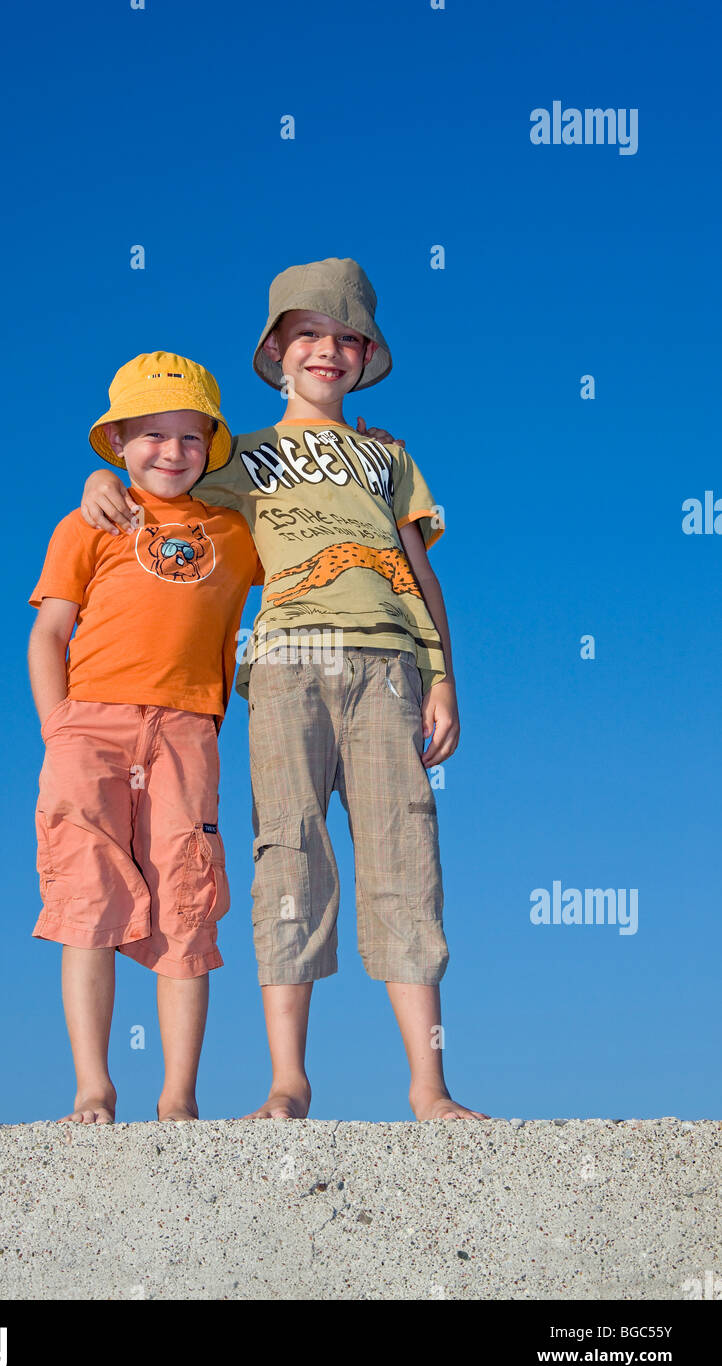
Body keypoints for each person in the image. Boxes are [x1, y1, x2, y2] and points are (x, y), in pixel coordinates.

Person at [80, 259, 488, 1123]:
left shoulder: (390, 457)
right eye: (309, 334)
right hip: (285, 663)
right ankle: (288, 1082)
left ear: (368, 354)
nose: (328, 351)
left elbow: (420, 571)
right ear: (276, 349)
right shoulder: (239, 460)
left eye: (348, 337)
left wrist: (444, 678)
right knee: (289, 856)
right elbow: (162, 490)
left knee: (403, 856)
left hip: (387, 668)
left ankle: (430, 1086)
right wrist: (98, 481)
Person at [28, 351, 262, 1124]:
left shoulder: (233, 531)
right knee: (84, 899)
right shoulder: (88, 522)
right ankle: (94, 1085)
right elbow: (48, 633)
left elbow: (302, 516)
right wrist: (56, 723)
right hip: (89, 723)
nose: (172, 452)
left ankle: (178, 1096)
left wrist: (365, 451)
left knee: (187, 899)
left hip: (187, 730)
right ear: (119, 444)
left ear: (211, 449)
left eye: (191, 438)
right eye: (152, 436)